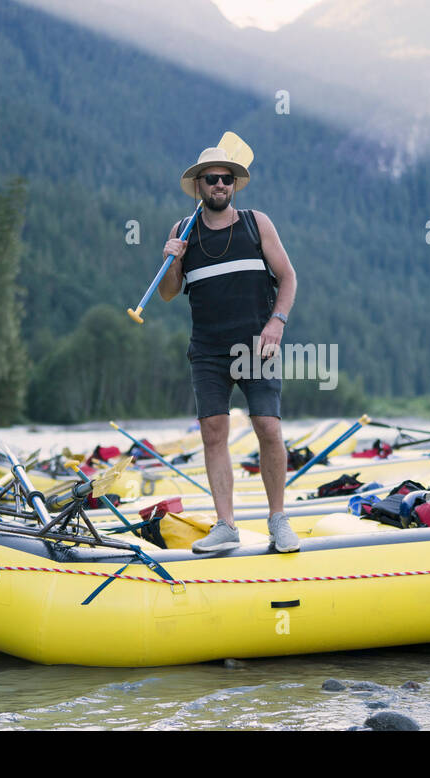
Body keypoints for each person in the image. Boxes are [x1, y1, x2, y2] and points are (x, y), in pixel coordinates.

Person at [157, 146, 300, 553]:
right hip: (207, 349)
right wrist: (171, 261)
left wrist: (277, 322)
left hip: (257, 344)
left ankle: (278, 520)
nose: (219, 185)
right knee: (213, 432)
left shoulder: (257, 224)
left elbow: (288, 278)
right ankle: (226, 525)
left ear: (234, 185)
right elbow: (168, 294)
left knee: (268, 427)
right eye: (211, 179)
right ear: (198, 186)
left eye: (226, 179)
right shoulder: (182, 230)